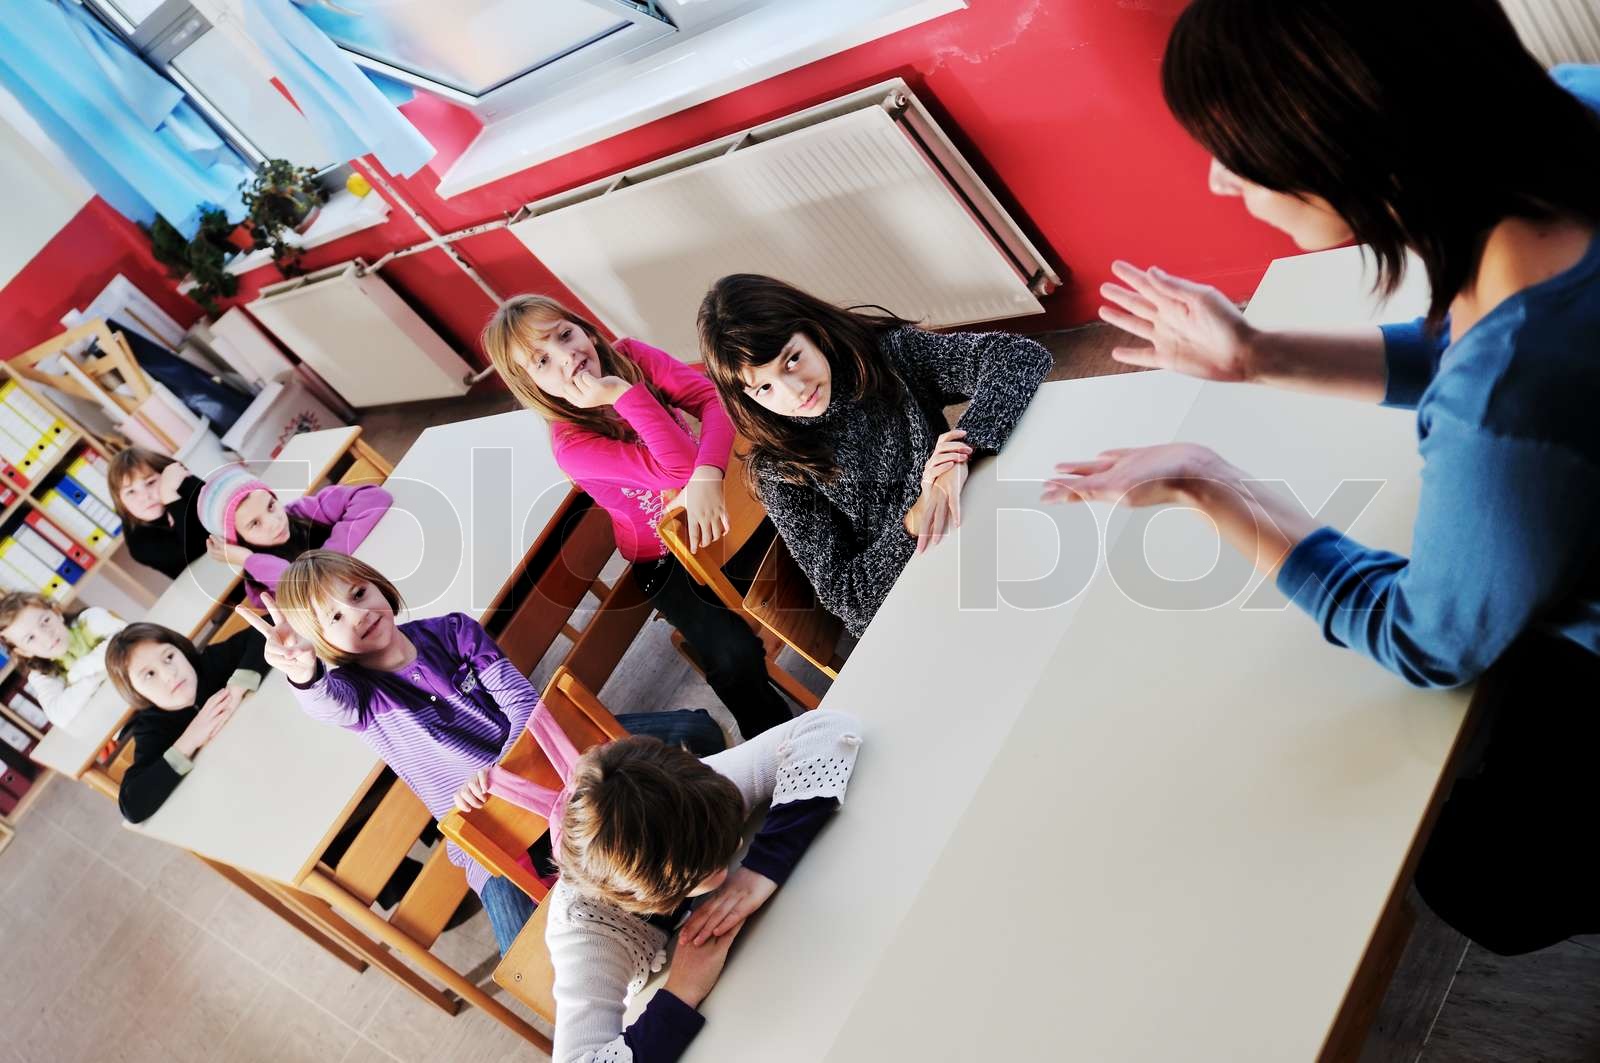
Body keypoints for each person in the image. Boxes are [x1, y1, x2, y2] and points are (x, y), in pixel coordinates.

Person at [1046, 0, 1600, 954]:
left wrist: (1207, 480)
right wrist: (1258, 353)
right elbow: (1496, 347)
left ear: (1357, 152)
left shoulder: (1508, 404)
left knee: (1473, 875)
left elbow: (1428, 639)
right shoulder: (1570, 108)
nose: (1222, 180)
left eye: (1240, 152)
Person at [250, 550, 727, 952]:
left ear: (377, 586)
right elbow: (326, 704)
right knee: (519, 935)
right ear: (321, 640)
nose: (359, 614)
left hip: (554, 759)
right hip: (489, 822)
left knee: (694, 733)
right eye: (335, 617)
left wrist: (505, 772)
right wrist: (301, 671)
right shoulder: (360, 698)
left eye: (357, 594)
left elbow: (520, 700)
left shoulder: (453, 631)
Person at [482, 295, 792, 740]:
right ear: (529, 382)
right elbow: (677, 467)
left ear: (584, 327)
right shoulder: (572, 445)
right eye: (543, 360)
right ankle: (776, 741)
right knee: (732, 654)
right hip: (663, 560)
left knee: (805, 542)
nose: (568, 357)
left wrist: (706, 475)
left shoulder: (629, 355)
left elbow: (713, 399)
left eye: (566, 335)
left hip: (717, 505)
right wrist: (624, 396)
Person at [697, 274, 1052, 636]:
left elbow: (1017, 356)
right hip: (914, 610)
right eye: (765, 388)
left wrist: (961, 455)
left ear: (814, 332)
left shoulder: (889, 356)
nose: (794, 392)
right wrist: (915, 519)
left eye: (792, 360)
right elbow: (849, 599)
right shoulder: (779, 472)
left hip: (975, 530)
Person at [545, 709, 862, 1062]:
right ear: (657, 891)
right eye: (714, 864)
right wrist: (683, 989)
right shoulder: (584, 933)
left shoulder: (690, 797)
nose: (737, 848)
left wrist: (758, 872)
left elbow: (825, 728)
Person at [105, 623, 266, 822]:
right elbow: (133, 806)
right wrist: (189, 740)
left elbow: (268, 626)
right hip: (241, 791)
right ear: (135, 691)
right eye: (149, 674)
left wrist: (237, 687)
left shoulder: (209, 664)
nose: (169, 673)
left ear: (180, 649)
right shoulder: (151, 729)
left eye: (169, 657)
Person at [196, 462, 392, 606]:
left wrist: (326, 560)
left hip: (382, 567)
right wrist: (249, 559)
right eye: (255, 523)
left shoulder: (299, 512)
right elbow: (303, 590)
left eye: (271, 506)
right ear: (237, 540)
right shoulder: (260, 583)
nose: (275, 523)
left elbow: (374, 497)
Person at [0, 591, 124, 728]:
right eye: (30, 638)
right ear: (23, 651)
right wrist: (91, 679)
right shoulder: (41, 674)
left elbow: (127, 641)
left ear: (56, 612)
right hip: (115, 721)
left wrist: (76, 674)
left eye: (45, 621)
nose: (46, 636)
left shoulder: (90, 618)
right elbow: (58, 715)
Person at [107, 448, 207, 577]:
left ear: (166, 475)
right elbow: (196, 549)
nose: (145, 497)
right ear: (120, 502)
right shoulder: (138, 542)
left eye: (150, 482)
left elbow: (223, 509)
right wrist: (170, 497)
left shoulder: (181, 485)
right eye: (130, 492)